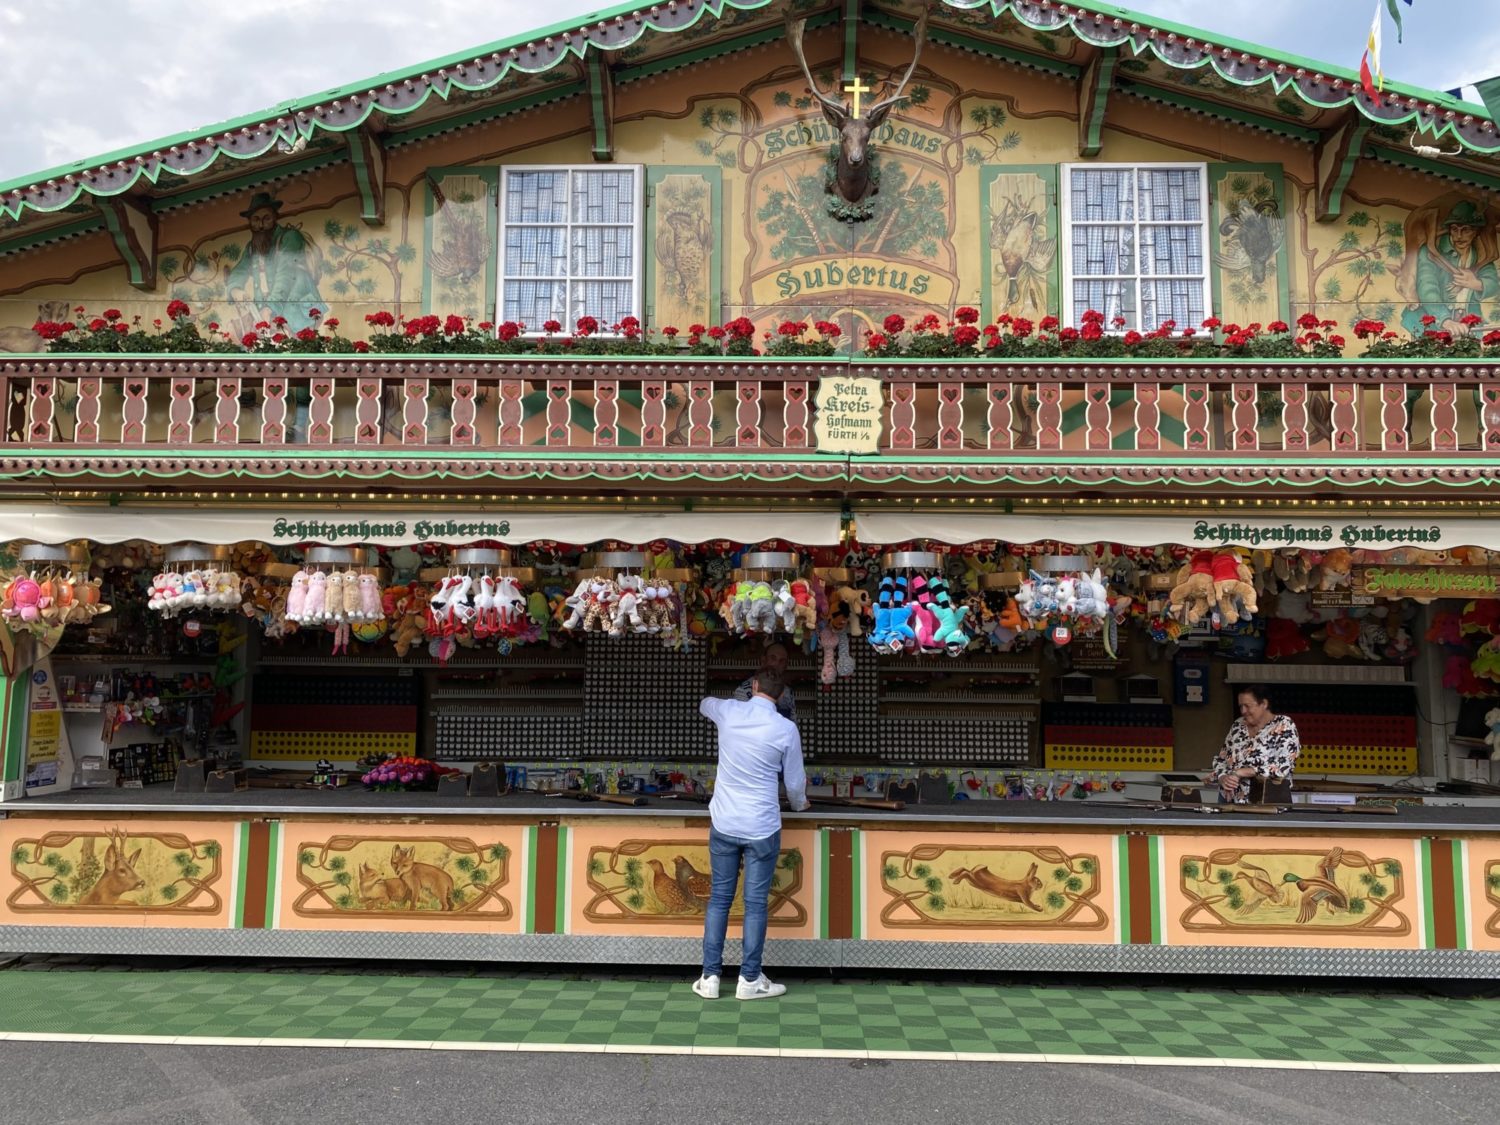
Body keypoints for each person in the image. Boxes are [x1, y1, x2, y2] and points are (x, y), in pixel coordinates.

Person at [693, 668, 809, 1001]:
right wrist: (800, 805)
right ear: (782, 696)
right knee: (755, 904)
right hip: (762, 827)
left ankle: (710, 978)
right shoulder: (786, 729)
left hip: (726, 823)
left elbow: (704, 704)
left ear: (754, 687)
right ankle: (749, 980)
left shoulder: (729, 710)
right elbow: (795, 784)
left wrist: (728, 704)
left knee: (719, 900)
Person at [226, 192, 326, 333]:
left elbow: (286, 274)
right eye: (255, 219)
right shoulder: (251, 248)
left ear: (275, 217)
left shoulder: (290, 237)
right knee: (235, 332)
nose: (260, 225)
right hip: (266, 310)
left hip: (298, 311)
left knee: (295, 349)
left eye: (266, 218)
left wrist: (270, 308)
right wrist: (235, 288)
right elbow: (240, 270)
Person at [1207, 684, 1301, 804]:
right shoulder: (1238, 725)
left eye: (1247, 706)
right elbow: (1222, 760)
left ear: (1264, 704)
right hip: (1229, 800)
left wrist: (1241, 772)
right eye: (1241, 706)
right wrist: (1222, 777)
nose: (1243, 711)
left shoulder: (1284, 725)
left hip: (1267, 802)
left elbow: (1283, 767)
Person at [733, 641, 797, 720]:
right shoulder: (743, 691)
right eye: (773, 658)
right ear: (763, 660)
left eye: (782, 661)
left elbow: (793, 723)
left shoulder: (788, 692)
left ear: (786, 666)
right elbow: (739, 724)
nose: (777, 664)